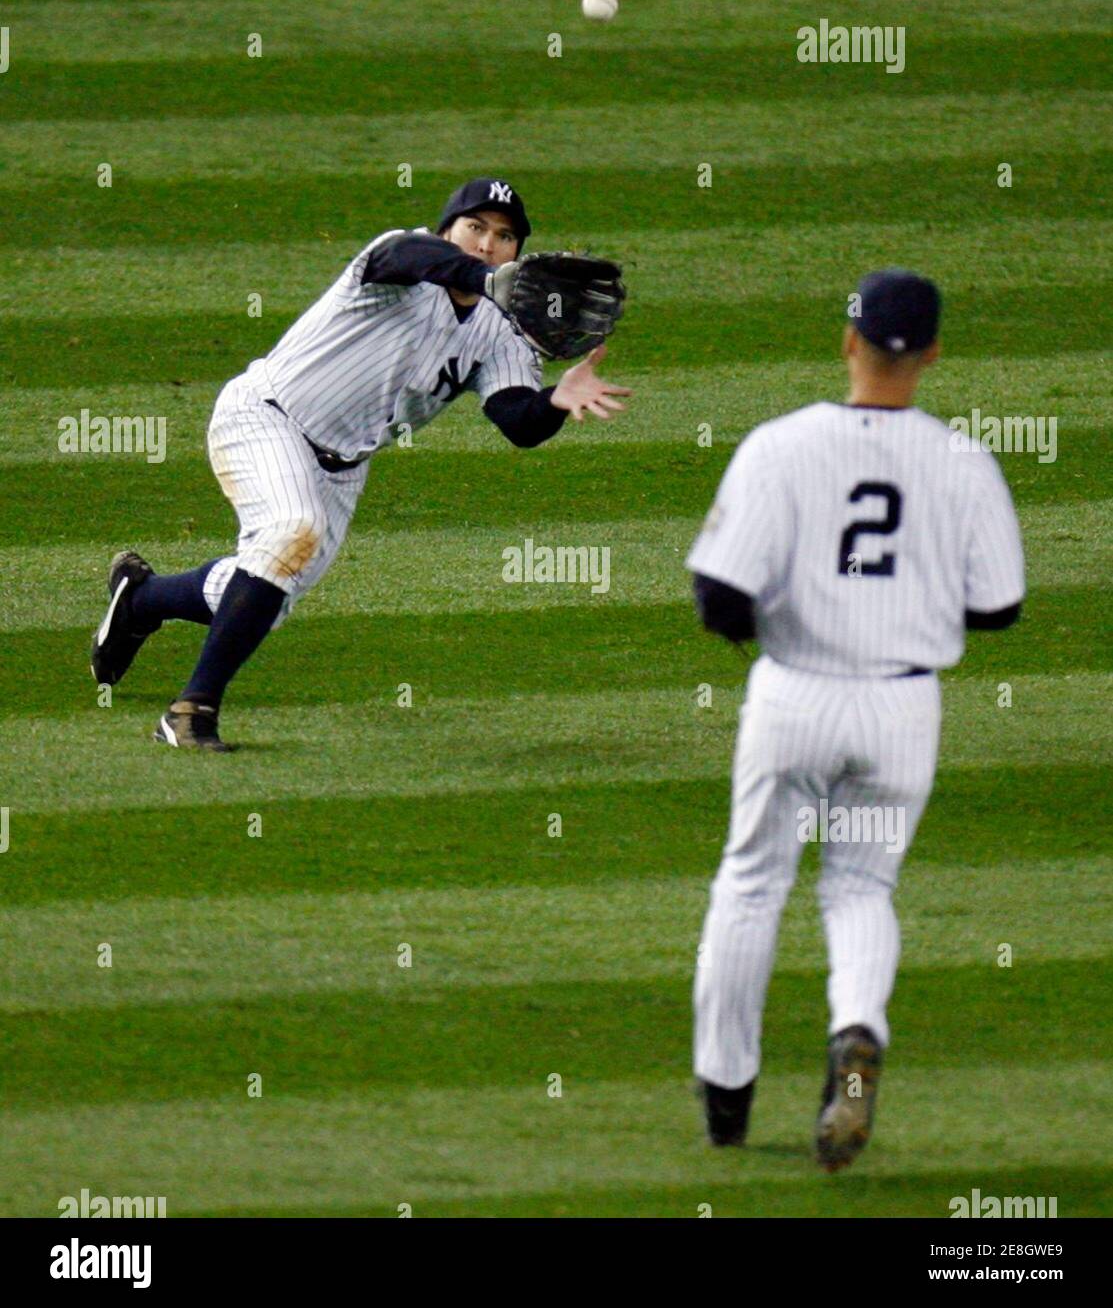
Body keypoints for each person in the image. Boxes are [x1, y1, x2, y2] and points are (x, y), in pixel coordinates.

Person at [90, 178, 630, 750]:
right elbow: (407, 255)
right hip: (267, 418)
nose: (487, 245)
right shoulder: (402, 258)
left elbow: (517, 422)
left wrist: (555, 400)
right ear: (447, 229)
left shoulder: (503, 333)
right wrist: (480, 278)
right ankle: (191, 712)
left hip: (344, 469)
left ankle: (141, 599)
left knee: (262, 598)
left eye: (505, 237)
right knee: (288, 537)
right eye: (475, 228)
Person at [687, 270, 1024, 1170]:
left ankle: (726, 1098)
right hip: (901, 709)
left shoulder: (781, 446)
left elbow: (716, 597)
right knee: (861, 888)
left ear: (848, 342)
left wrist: (795, 622)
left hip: (794, 696)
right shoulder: (963, 460)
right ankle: (855, 1029)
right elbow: (998, 608)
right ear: (934, 355)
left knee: (752, 883)